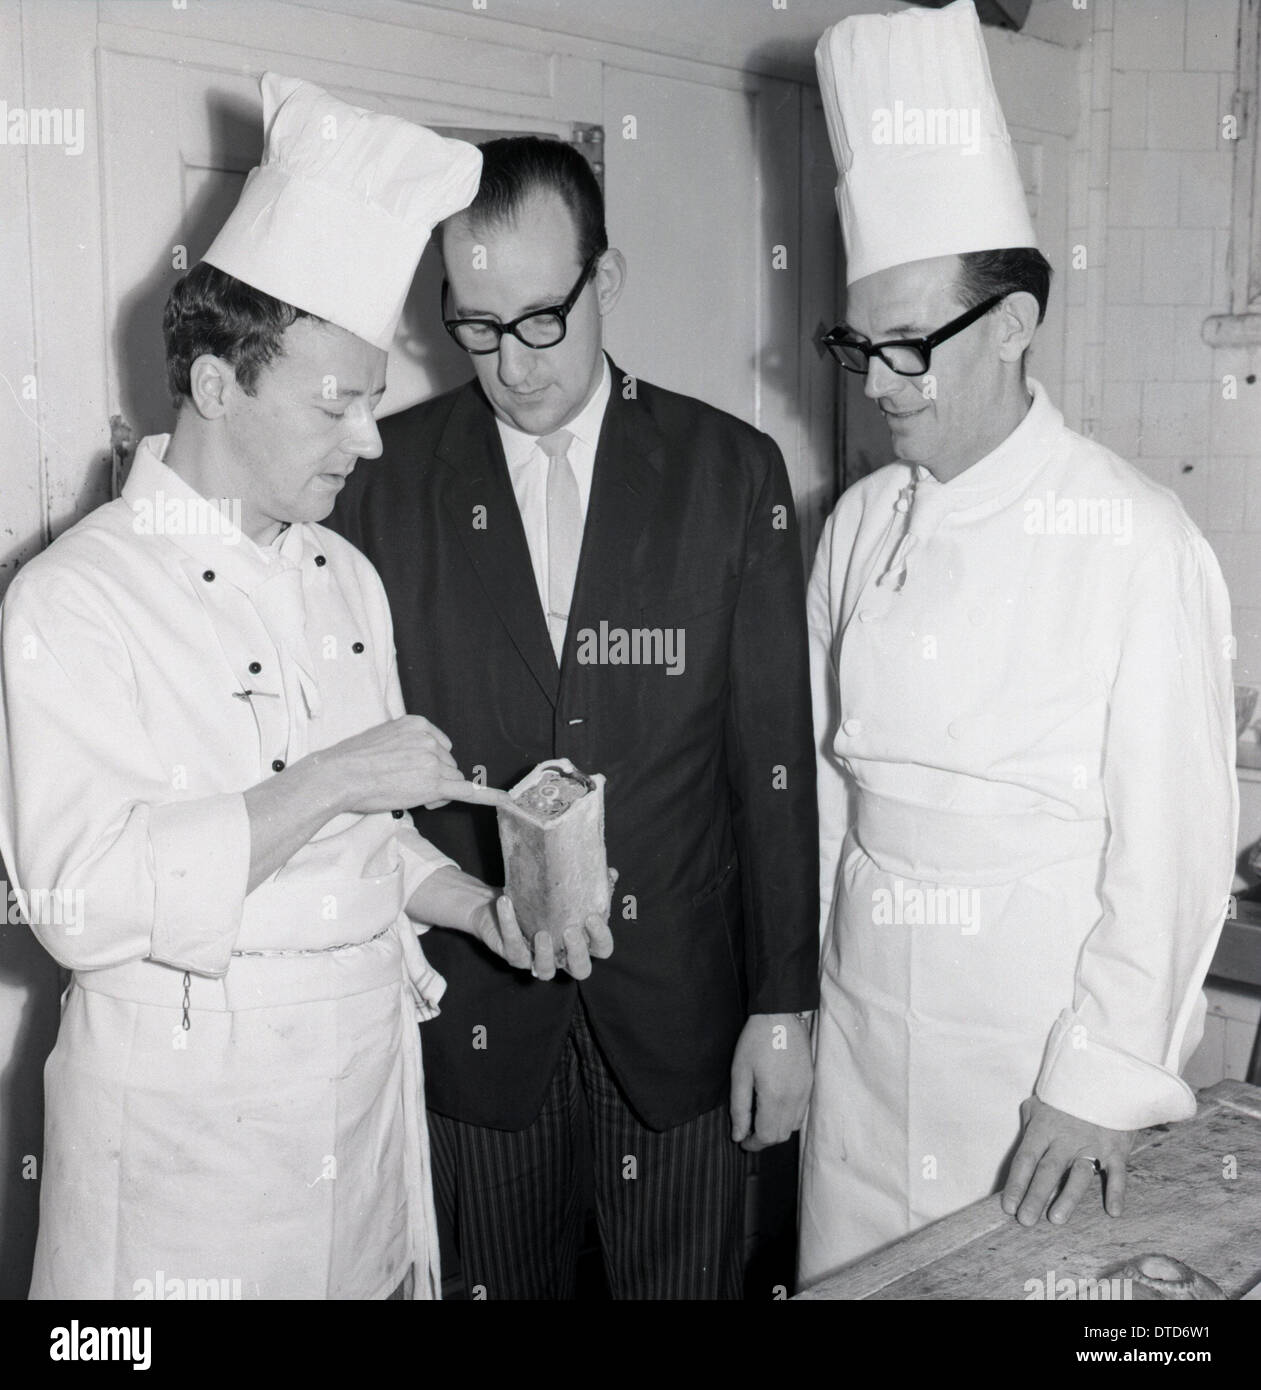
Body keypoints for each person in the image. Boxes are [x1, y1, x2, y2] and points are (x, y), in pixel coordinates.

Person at [0, 73, 570, 1300]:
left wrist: (475, 903)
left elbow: (373, 840)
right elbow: (78, 901)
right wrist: (329, 779)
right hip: (188, 1156)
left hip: (361, 1115)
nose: (370, 438)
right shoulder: (72, 600)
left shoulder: (345, 577)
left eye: (374, 398)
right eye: (339, 401)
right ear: (216, 383)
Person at [331, 135, 819, 1299]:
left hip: (685, 1023)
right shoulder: (381, 482)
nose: (513, 364)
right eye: (477, 325)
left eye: (543, 318)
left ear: (606, 282)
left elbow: (771, 766)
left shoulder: (728, 471)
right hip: (479, 1029)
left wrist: (784, 1003)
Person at [797, 0, 1238, 1285]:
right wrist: (815, 1002)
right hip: (866, 1041)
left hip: (1032, 1072)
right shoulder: (859, 524)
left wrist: (1098, 1081)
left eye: (911, 348)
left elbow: (1172, 844)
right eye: (858, 343)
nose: (878, 382)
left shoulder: (1131, 538)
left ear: (1012, 325)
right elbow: (830, 792)